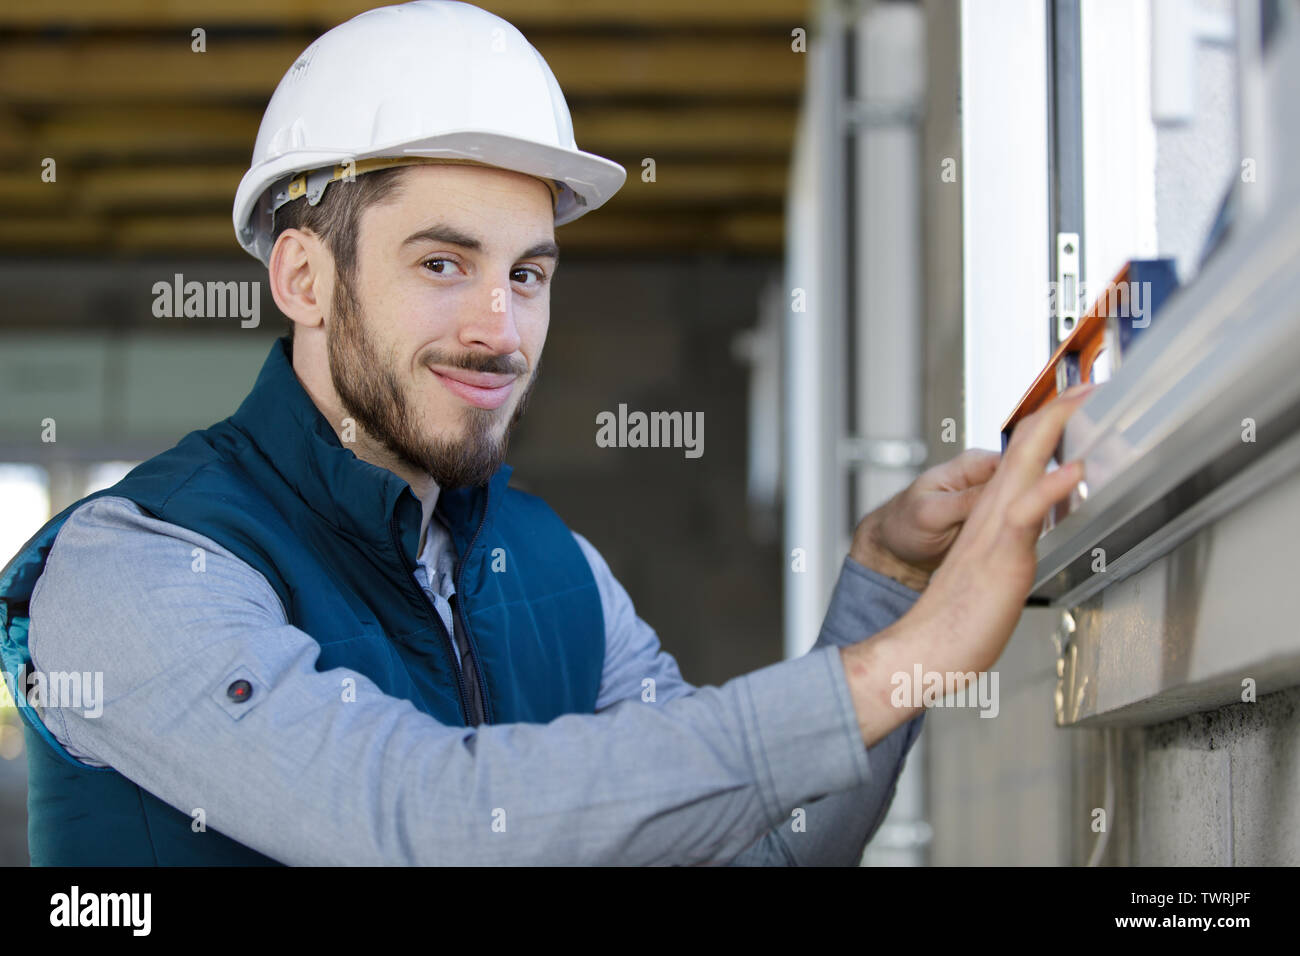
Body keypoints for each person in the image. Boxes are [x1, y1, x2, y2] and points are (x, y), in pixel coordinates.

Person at [0, 0, 1091, 866]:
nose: (499, 327)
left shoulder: (558, 571)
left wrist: (888, 583)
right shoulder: (138, 564)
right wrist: (910, 658)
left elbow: (767, 851)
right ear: (303, 276)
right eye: (443, 263)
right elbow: (418, 818)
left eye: (527, 274)